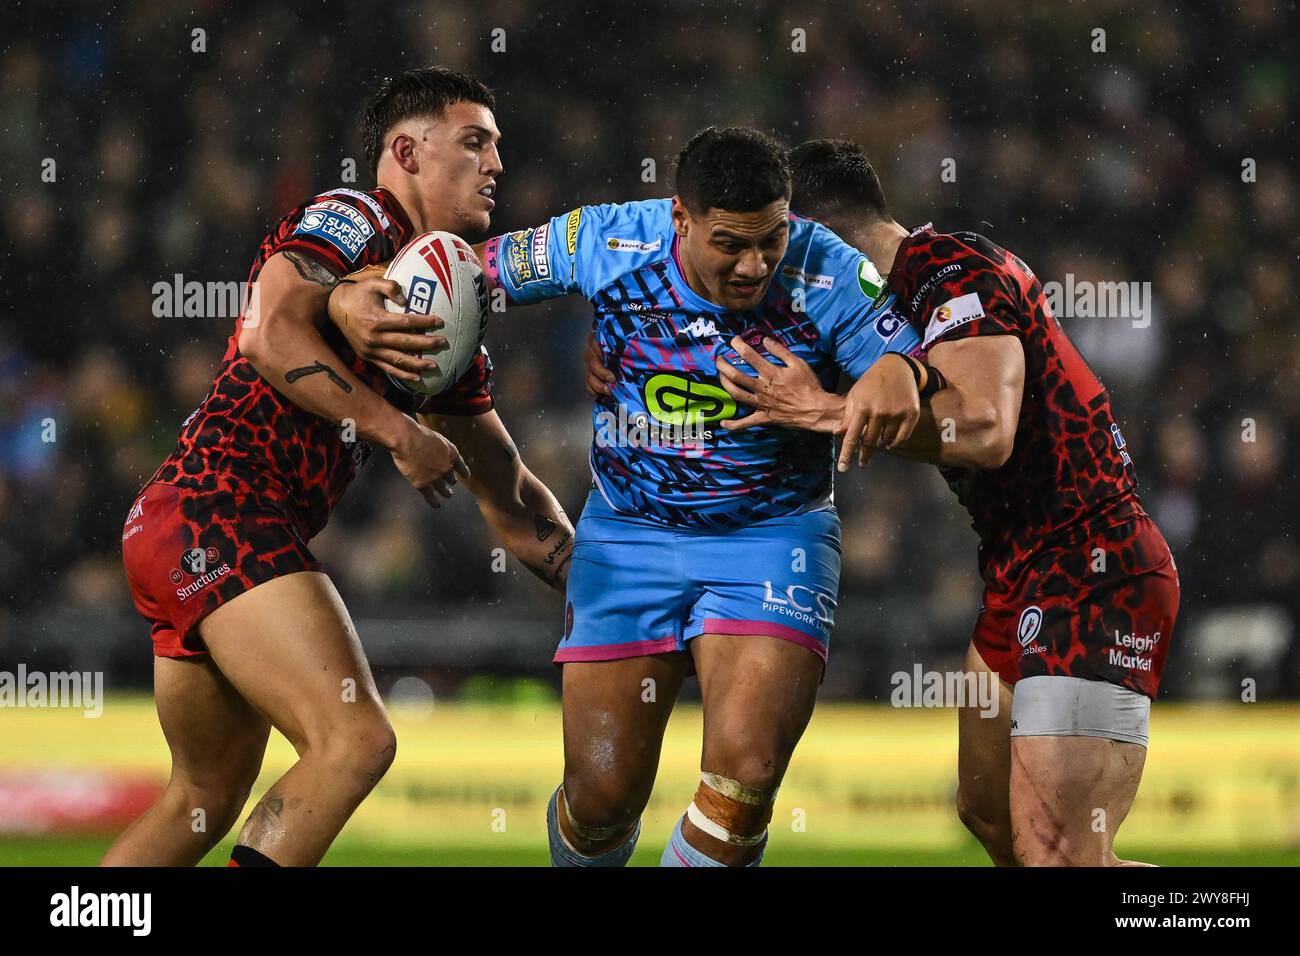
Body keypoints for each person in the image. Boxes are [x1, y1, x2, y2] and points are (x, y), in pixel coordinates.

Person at [329, 126, 922, 866]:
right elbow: (466, 273)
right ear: (679, 219)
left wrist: (894, 375)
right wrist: (353, 290)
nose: (755, 264)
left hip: (774, 536)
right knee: (600, 802)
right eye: (731, 243)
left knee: (745, 786)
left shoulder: (827, 270)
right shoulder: (606, 240)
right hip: (630, 532)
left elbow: (907, 363)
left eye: (770, 238)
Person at [107, 67, 572, 868]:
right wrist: (396, 430)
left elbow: (512, 497)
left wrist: (625, 589)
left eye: (498, 148)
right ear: (405, 151)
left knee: (203, 798)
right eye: (474, 142)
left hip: (185, 523)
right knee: (354, 739)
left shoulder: (443, 312)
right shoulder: (356, 216)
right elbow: (266, 331)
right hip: (220, 509)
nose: (497, 164)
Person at [708, 138, 1179, 867]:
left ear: (814, 237)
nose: (760, 269)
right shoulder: (881, 311)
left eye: (775, 244)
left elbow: (987, 428)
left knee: (1060, 852)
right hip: (1021, 571)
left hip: (1094, 565)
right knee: (990, 817)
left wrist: (825, 410)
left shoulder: (949, 269)